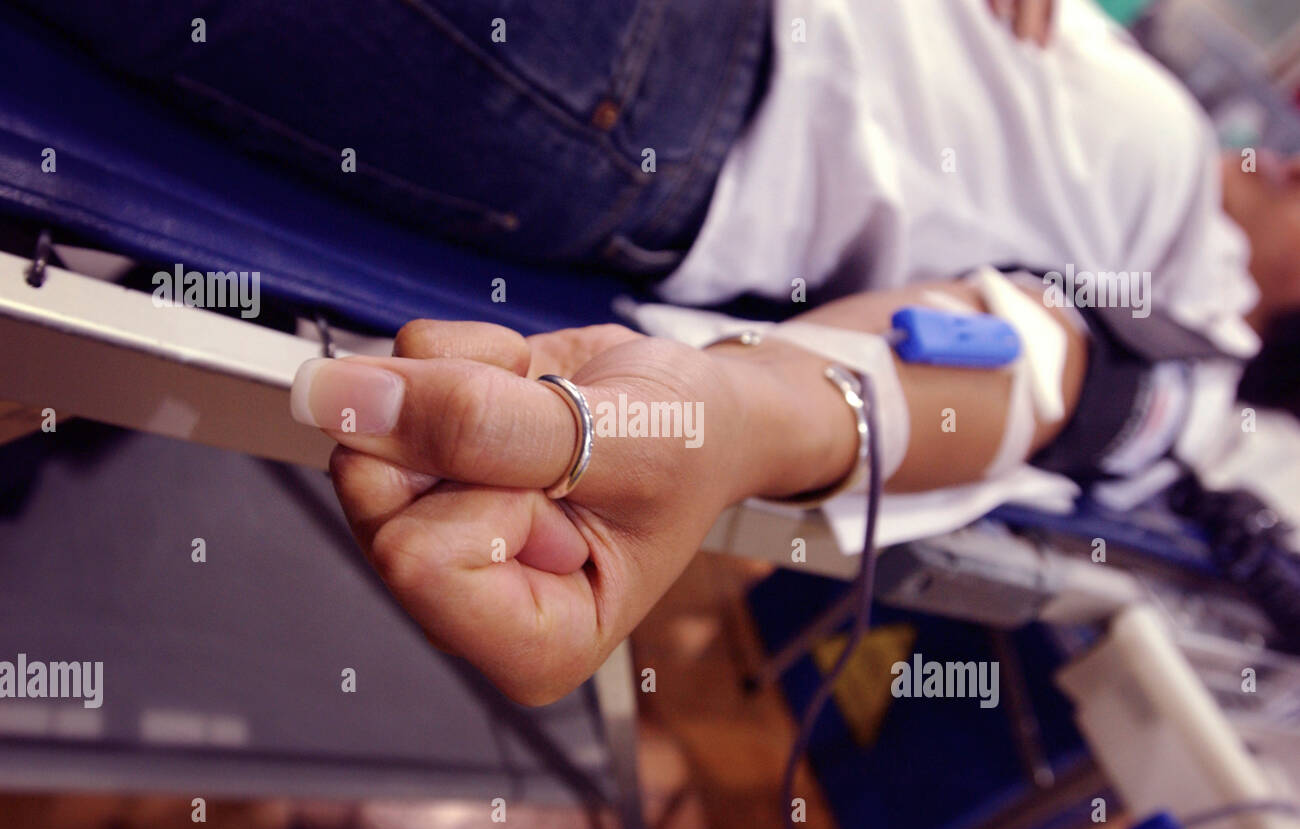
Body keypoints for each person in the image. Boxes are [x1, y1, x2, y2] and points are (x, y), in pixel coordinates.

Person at [19, 0, 1299, 702]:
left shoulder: (1194, 348)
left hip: (667, 85)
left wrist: (721, 416)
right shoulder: (1170, 104)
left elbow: (1022, 371)